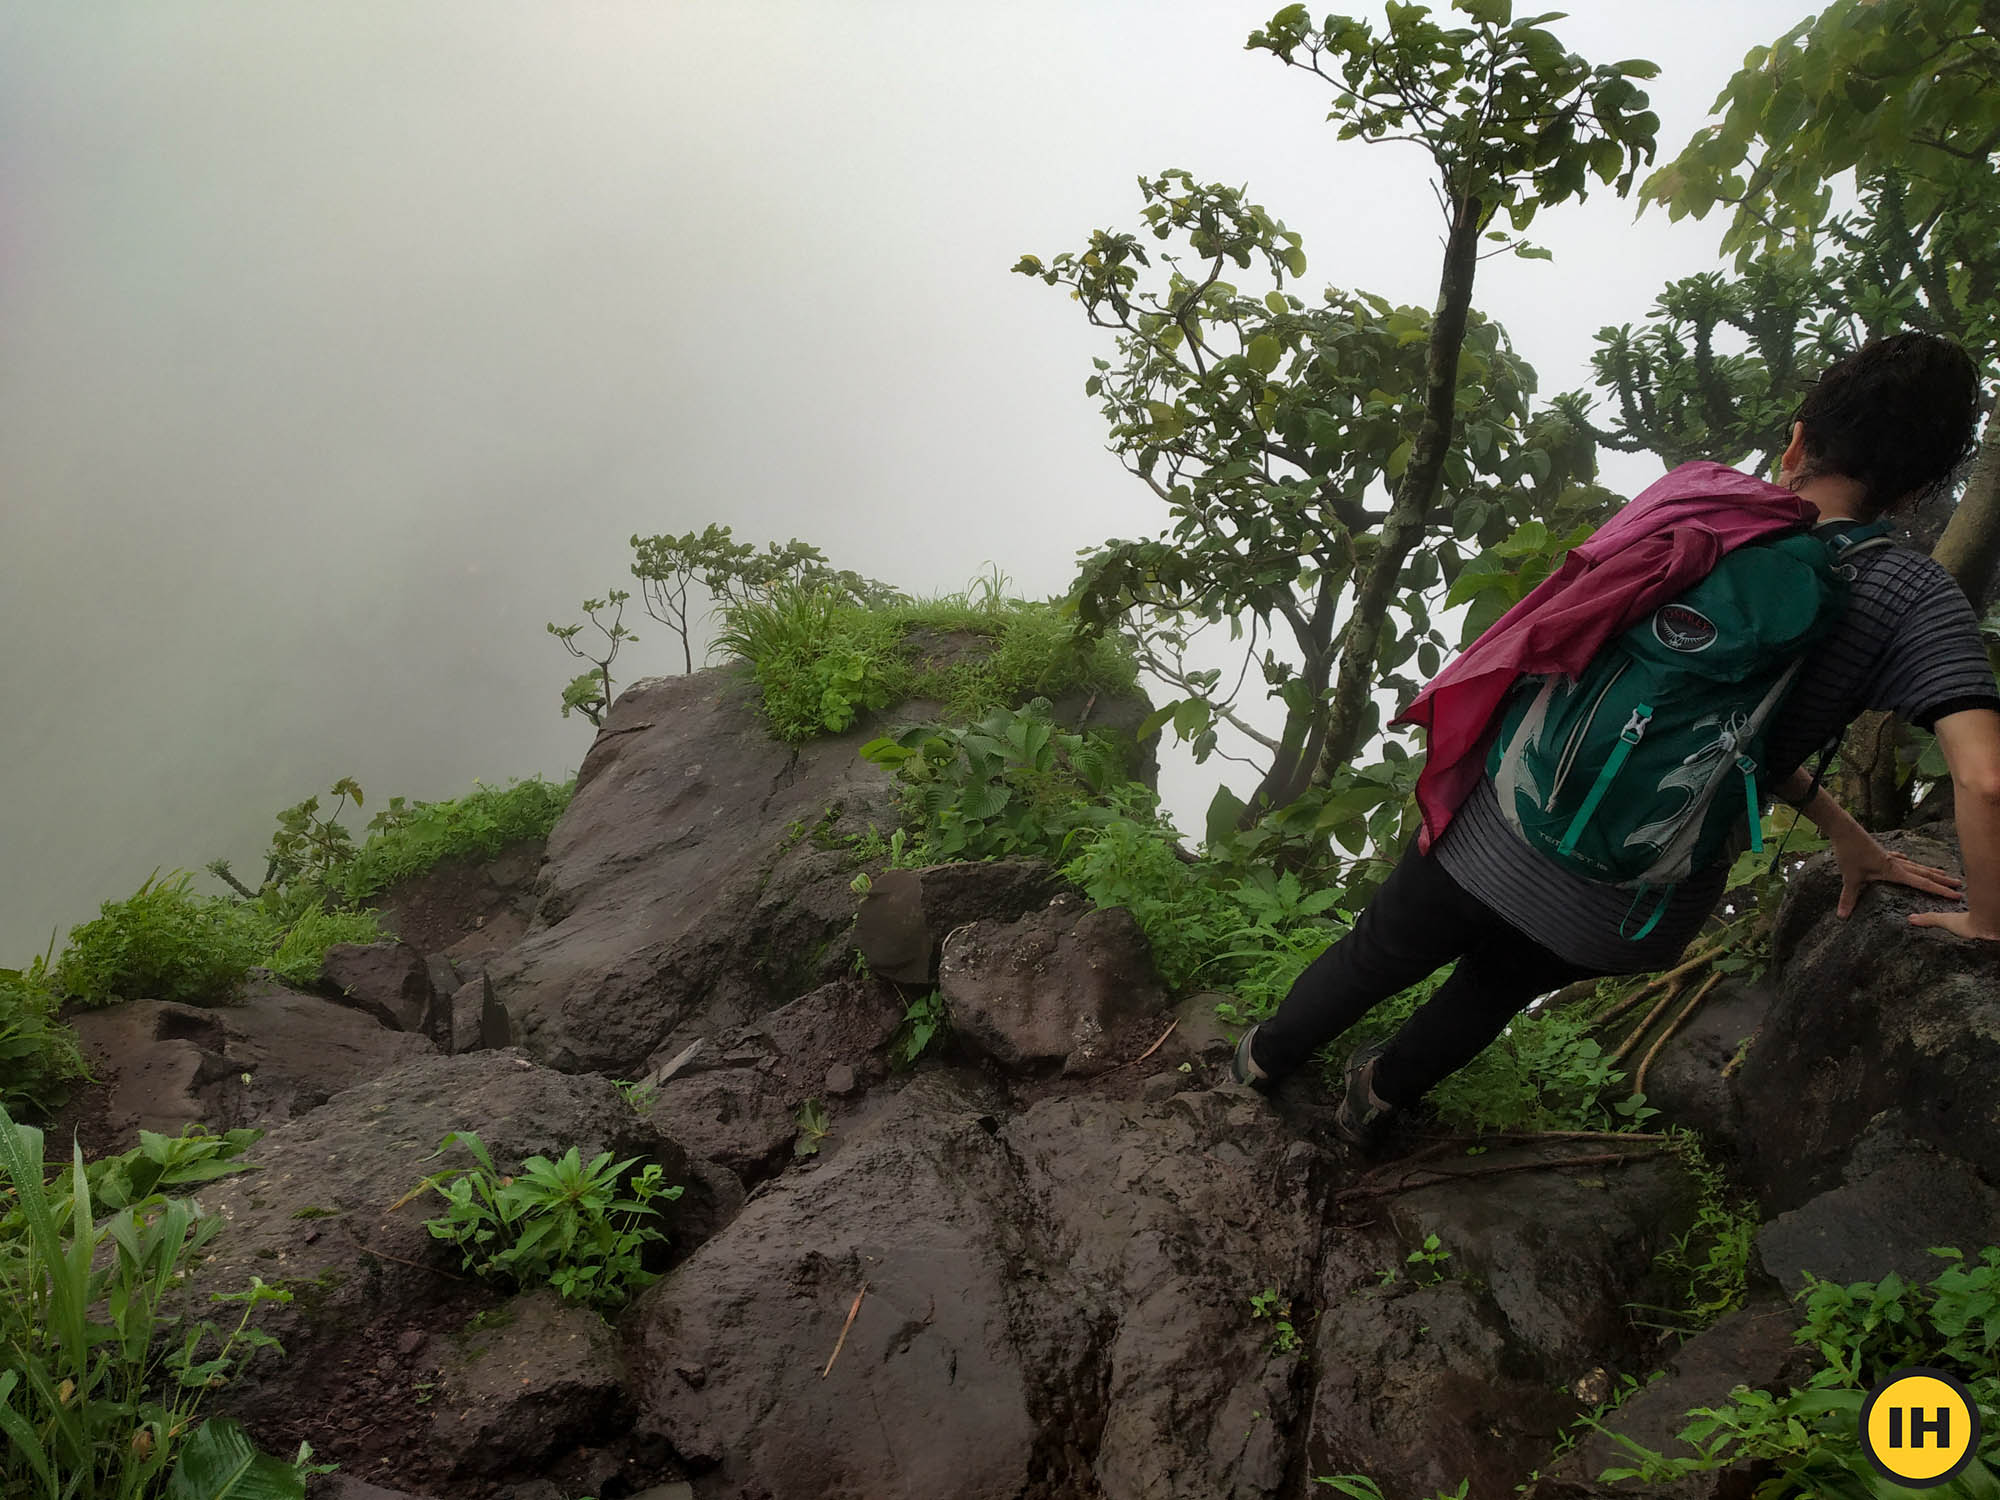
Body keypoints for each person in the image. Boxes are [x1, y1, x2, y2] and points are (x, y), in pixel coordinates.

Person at [1232, 332, 2000, 1149]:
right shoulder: (1914, 597)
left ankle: (1259, 1065)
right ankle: (1375, 1101)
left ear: (1799, 439)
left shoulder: (1702, 503)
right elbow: (1977, 776)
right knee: (1492, 989)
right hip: (1630, 896)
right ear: (1915, 489)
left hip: (1503, 817)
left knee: (1381, 950)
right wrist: (1983, 922)